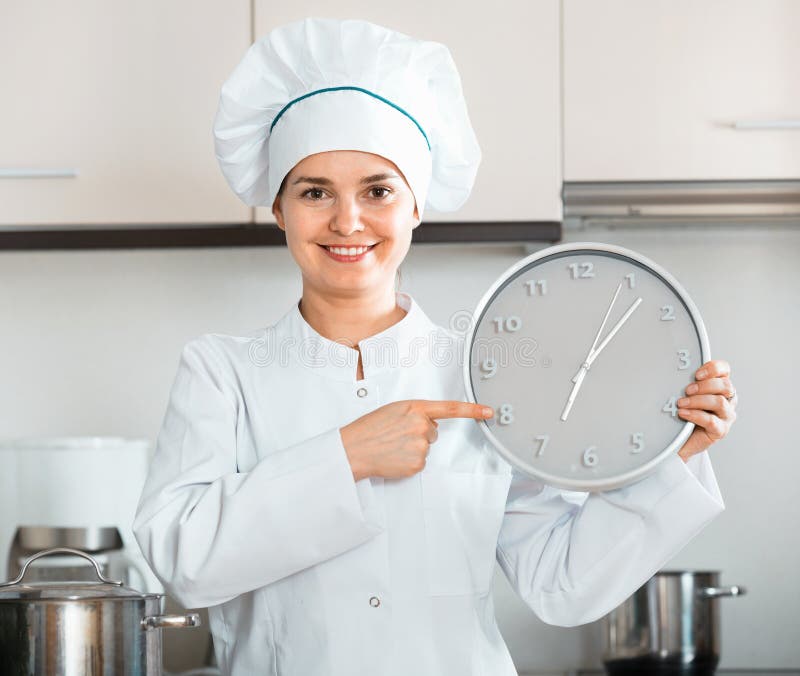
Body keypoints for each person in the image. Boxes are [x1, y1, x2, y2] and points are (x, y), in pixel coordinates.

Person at [133, 17, 738, 676]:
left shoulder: (482, 374)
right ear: (280, 210)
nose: (347, 220)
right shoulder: (222, 372)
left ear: (416, 205)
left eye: (378, 190)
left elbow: (560, 583)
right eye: (314, 192)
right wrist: (348, 455)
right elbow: (184, 562)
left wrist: (669, 459)